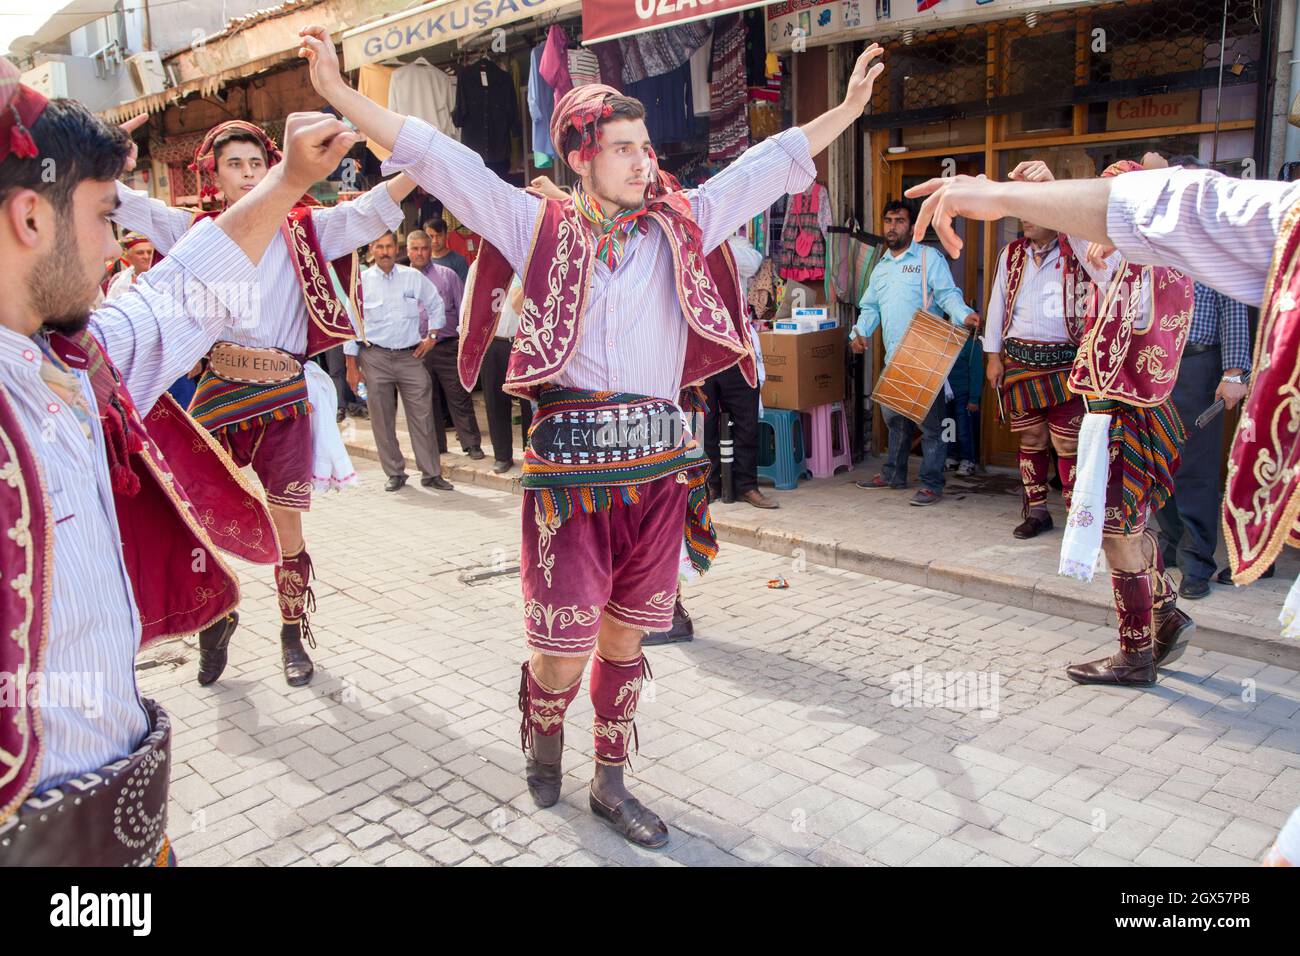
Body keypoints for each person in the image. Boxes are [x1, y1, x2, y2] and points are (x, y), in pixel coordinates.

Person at [300, 24, 886, 846]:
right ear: (580, 156)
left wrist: (848, 110)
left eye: (646, 147)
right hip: (567, 480)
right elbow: (441, 158)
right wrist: (338, 92)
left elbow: (759, 170)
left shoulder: (682, 222)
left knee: (627, 638)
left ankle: (610, 782)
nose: (645, 162)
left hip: (657, 471)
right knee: (564, 650)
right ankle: (543, 731)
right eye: (623, 149)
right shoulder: (533, 225)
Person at [0, 58, 358, 863]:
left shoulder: (76, 362)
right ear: (31, 218)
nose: (116, 247)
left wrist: (292, 180)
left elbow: (182, 293)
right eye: (100, 216)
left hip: (118, 829)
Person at [113, 119, 415, 687]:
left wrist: (421, 160)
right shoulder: (193, 231)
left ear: (275, 166)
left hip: (284, 394)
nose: (249, 174)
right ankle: (215, 618)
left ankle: (292, 633)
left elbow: (371, 208)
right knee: (195, 516)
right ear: (214, 175)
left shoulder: (308, 228)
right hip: (219, 388)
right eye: (236, 165)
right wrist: (101, 150)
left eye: (258, 163)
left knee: (286, 526)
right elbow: (125, 202)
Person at [910, 159, 1204, 687]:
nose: (1099, 220)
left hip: (1122, 412)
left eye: (1109, 204)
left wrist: (1046, 198)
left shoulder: (1133, 261)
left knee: (1116, 531)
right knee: (1127, 523)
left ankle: (1135, 654)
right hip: (1139, 407)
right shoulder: (1161, 257)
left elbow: (1102, 266)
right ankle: (1164, 610)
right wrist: (1048, 195)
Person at [851, 200, 980, 505]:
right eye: (888, 220)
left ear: (911, 227)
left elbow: (948, 294)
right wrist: (858, 333)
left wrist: (963, 315)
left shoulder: (927, 258)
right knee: (894, 418)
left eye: (899, 221)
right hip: (893, 357)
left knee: (931, 426)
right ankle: (893, 474)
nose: (892, 226)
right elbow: (869, 307)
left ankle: (932, 484)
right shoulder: (881, 267)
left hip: (924, 353)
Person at [983, 217, 1089, 538]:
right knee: (1032, 438)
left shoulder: (1078, 252)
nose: (1025, 219)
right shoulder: (1011, 254)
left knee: (1068, 442)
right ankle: (1038, 512)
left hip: (1067, 365)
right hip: (1019, 363)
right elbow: (997, 304)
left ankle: (1076, 519)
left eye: (1034, 212)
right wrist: (992, 357)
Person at [345, 230, 454, 493]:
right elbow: (350, 324)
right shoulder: (360, 282)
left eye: (389, 246)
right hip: (375, 357)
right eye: (379, 246)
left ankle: (431, 473)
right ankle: (394, 472)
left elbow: (436, 304)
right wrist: (351, 366)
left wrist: (432, 337)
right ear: (372, 248)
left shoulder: (412, 277)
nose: (384, 252)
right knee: (381, 418)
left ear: (397, 248)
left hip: (411, 356)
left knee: (423, 415)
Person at [703, 231, 776, 509]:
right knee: (705, 421)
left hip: (737, 346)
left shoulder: (733, 243)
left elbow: (752, 262)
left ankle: (746, 485)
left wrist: (715, 239)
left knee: (746, 419)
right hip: (704, 346)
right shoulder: (690, 244)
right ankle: (711, 483)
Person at [410, 226, 484, 461]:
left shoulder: (447, 275)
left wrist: (466, 344)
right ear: (408, 251)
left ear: (430, 249)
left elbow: (464, 308)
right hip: (416, 348)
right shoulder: (403, 278)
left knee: (459, 396)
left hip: (447, 344)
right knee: (425, 399)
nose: (420, 253)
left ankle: (471, 444)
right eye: (415, 249)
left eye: (424, 248)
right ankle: (436, 446)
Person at [946, 333, 982, 478]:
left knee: (963, 428)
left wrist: (974, 398)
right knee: (948, 425)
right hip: (946, 393)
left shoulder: (972, 345)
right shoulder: (945, 340)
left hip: (963, 393)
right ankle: (951, 456)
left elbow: (976, 372)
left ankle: (968, 460)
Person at [104, 231, 155, 300]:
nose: (146, 257)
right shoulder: (118, 279)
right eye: (140, 253)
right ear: (128, 257)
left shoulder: (162, 276)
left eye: (149, 252)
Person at [423, 217, 469, 283]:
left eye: (439, 236)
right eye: (431, 236)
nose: (435, 241)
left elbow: (463, 290)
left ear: (447, 235)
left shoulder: (459, 261)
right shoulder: (422, 260)